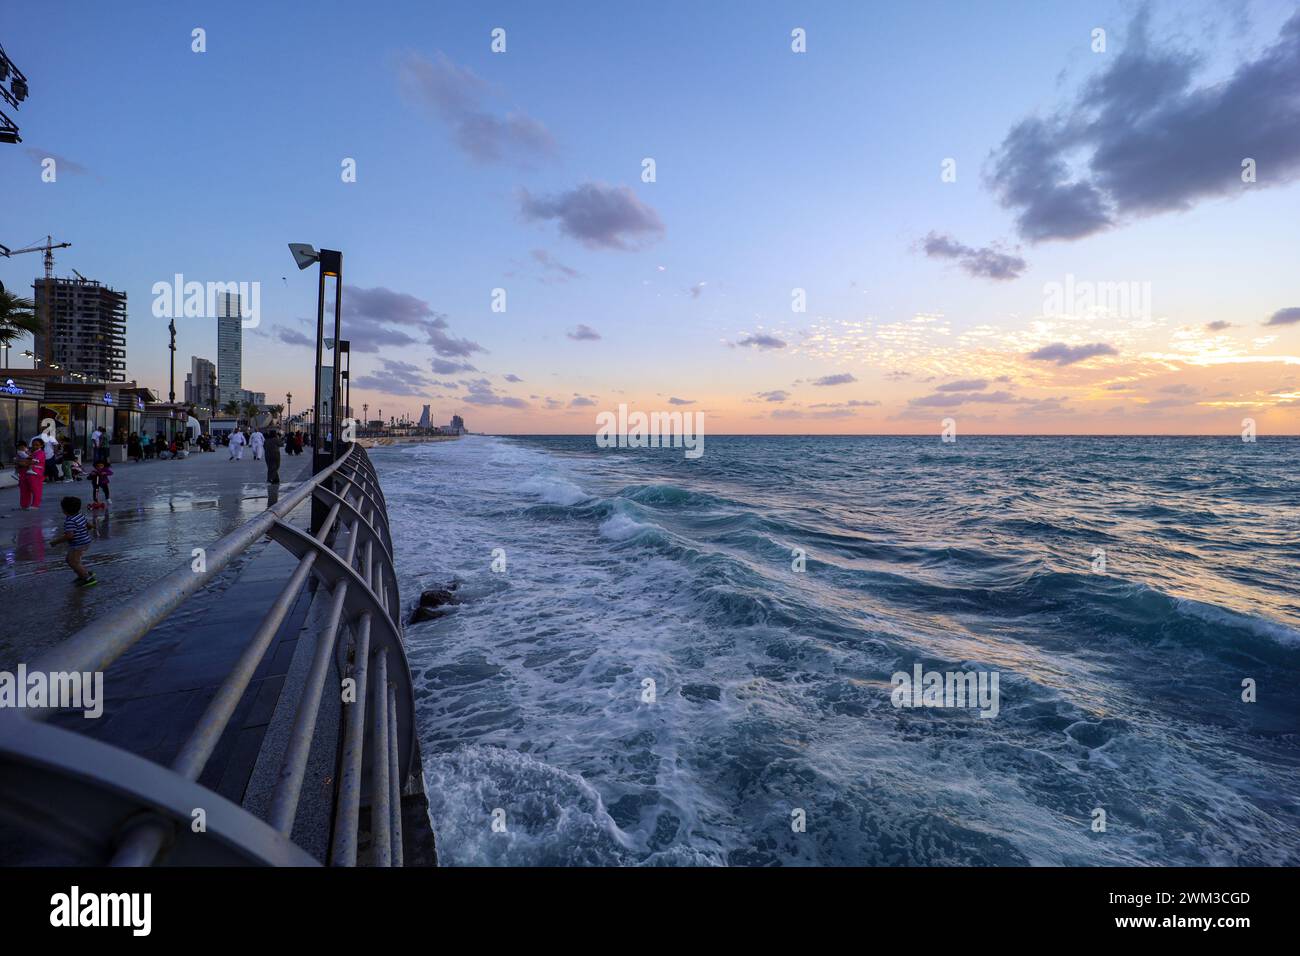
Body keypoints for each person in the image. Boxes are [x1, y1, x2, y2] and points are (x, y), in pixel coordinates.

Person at [51, 495, 96, 588]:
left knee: (73, 562)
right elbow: (88, 524)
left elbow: (69, 536)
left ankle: (88, 578)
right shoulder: (79, 515)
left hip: (78, 544)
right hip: (84, 541)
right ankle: (83, 574)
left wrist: (55, 542)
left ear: (64, 510)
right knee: (70, 560)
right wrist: (90, 527)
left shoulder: (70, 521)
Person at [20, 438, 46, 509]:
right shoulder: (30, 452)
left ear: (41, 445)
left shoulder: (41, 453)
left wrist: (22, 462)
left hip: (35, 473)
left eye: (37, 445)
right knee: (24, 490)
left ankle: (35, 505)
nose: (34, 446)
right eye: (33, 445)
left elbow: (34, 461)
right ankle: (24, 505)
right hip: (25, 473)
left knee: (36, 489)